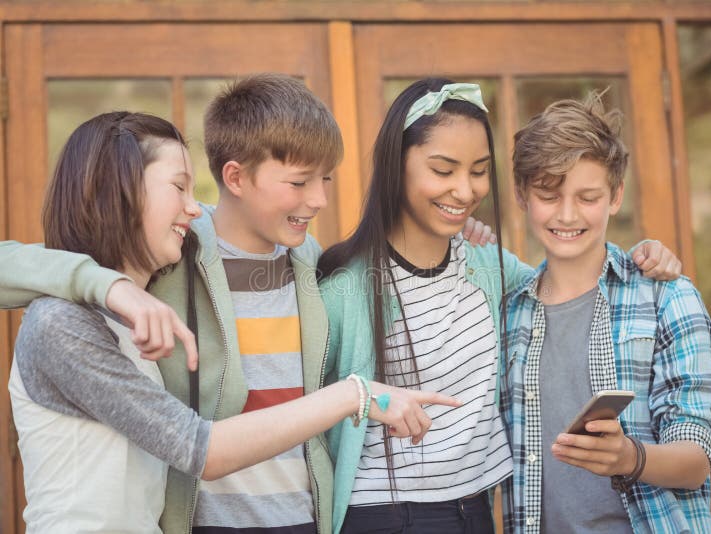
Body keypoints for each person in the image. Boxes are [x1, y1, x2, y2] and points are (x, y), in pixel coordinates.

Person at [3, 76, 456, 534]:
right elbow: (202, 449)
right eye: (179, 188)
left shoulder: (305, 264)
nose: (193, 206)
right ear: (118, 192)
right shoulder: (68, 320)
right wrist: (110, 286)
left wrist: (457, 237)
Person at [316, 78, 682, 534]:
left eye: (478, 170)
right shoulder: (345, 289)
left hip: (476, 510)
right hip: (384, 514)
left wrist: (643, 255)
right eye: (443, 170)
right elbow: (307, 413)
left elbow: (571, 280)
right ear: (398, 166)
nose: (465, 190)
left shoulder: (491, 268)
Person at [500, 92, 711, 533]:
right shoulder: (509, 312)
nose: (566, 214)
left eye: (587, 197)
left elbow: (697, 458)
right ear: (523, 196)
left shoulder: (668, 298)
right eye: (548, 194)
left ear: (616, 196)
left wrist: (630, 458)